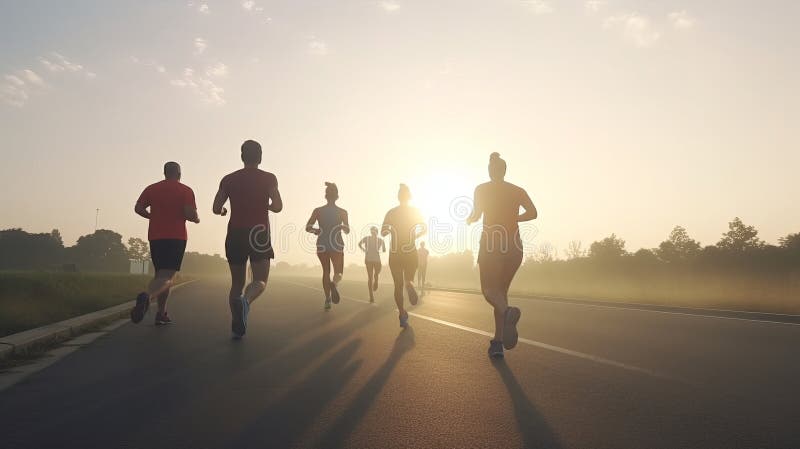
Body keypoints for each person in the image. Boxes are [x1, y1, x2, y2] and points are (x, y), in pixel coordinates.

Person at [467, 152, 537, 358]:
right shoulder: (517, 190)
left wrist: (469, 219)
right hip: (514, 246)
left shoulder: (481, 189)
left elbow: (476, 213)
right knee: (500, 294)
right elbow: (533, 213)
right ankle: (497, 343)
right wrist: (514, 217)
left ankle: (507, 313)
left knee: (489, 291)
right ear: (504, 170)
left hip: (492, 243)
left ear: (490, 170)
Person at [213, 140, 283, 338]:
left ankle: (237, 319)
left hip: (235, 233)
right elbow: (278, 205)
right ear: (260, 157)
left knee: (236, 283)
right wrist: (264, 205)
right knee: (260, 280)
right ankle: (245, 302)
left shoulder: (228, 179)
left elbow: (216, 207)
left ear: (242, 156)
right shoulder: (269, 178)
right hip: (258, 233)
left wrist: (224, 210)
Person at [132, 162, 199, 325]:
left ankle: (161, 313)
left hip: (155, 236)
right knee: (168, 277)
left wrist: (152, 217)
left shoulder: (152, 189)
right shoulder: (185, 190)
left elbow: (138, 208)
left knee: (161, 274)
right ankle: (147, 297)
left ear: (164, 173)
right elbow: (189, 213)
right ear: (179, 174)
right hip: (175, 237)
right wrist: (196, 218)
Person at [382, 184, 426, 328]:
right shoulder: (415, 211)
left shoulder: (391, 212)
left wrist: (389, 230)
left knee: (397, 286)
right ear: (409, 197)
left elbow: (383, 232)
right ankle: (410, 284)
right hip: (410, 250)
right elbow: (424, 228)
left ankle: (401, 313)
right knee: (408, 279)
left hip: (395, 253)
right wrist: (415, 236)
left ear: (398, 197)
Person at [306, 182, 350, 310]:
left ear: (326, 196)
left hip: (322, 245)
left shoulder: (318, 211)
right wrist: (342, 226)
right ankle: (334, 284)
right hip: (336, 244)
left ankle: (327, 300)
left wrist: (316, 231)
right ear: (337, 197)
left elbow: (308, 227)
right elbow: (347, 230)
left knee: (326, 271)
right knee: (339, 272)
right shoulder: (343, 212)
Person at [358, 226, 386, 303]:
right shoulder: (380, 240)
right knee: (375, 273)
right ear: (377, 232)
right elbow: (384, 250)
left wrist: (364, 249)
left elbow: (359, 244)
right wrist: (380, 248)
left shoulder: (367, 238)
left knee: (370, 277)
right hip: (376, 259)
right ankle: (376, 277)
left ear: (371, 232)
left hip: (369, 259)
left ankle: (371, 296)